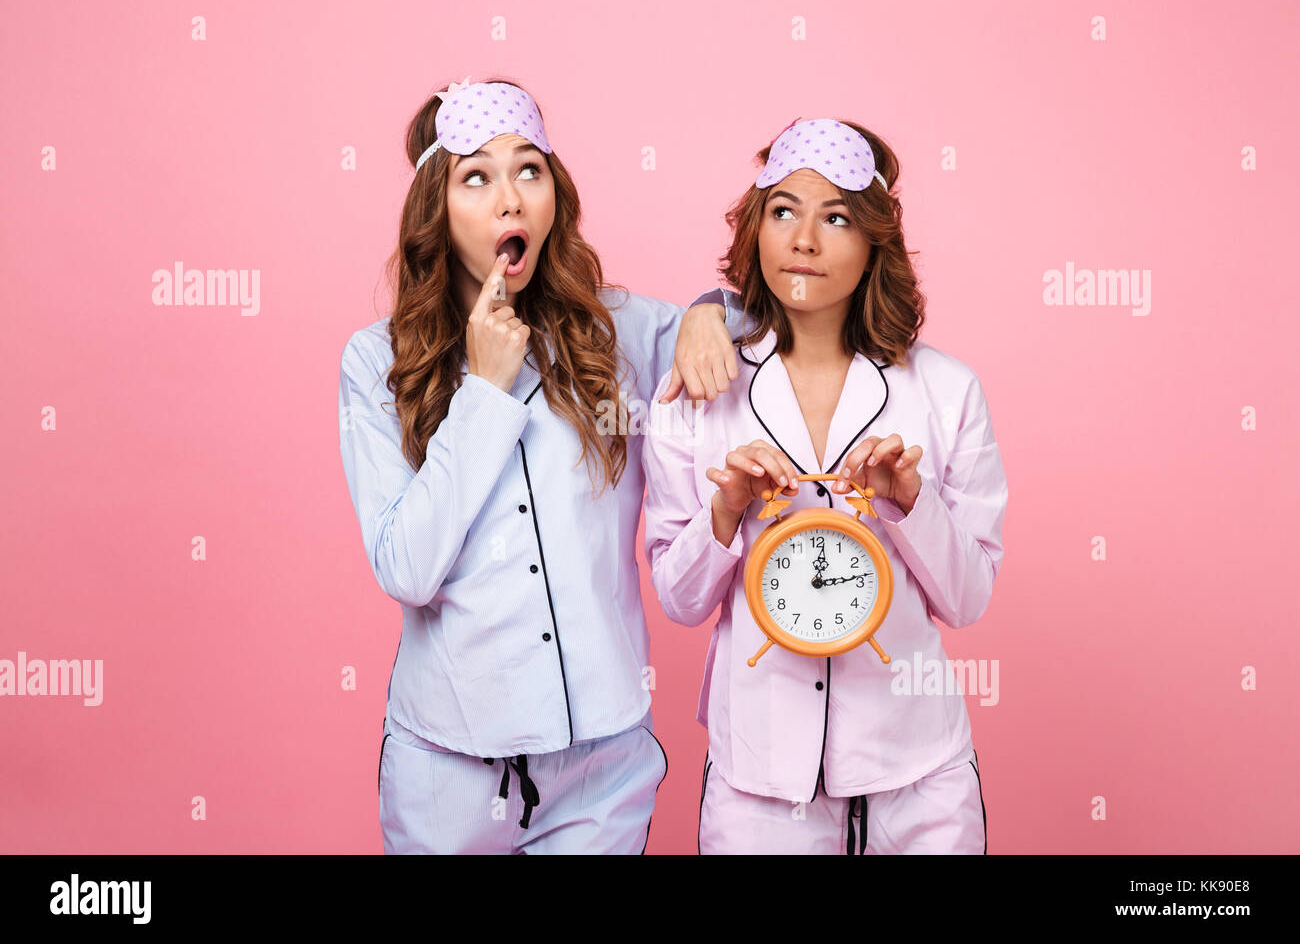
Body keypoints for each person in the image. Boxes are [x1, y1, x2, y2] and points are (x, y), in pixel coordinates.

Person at [337, 76, 752, 854]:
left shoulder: (617, 331)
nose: (511, 200)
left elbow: (777, 326)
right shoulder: (375, 363)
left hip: (603, 768)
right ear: (437, 205)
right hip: (448, 773)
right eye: (477, 177)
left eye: (530, 170)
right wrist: (485, 391)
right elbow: (408, 568)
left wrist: (707, 309)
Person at [641, 118, 1009, 854]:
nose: (803, 240)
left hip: (919, 774)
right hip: (760, 787)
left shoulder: (945, 390)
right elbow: (679, 603)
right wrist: (728, 508)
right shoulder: (699, 388)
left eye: (835, 217)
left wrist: (910, 502)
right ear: (756, 228)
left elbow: (967, 601)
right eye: (783, 211)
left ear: (874, 241)